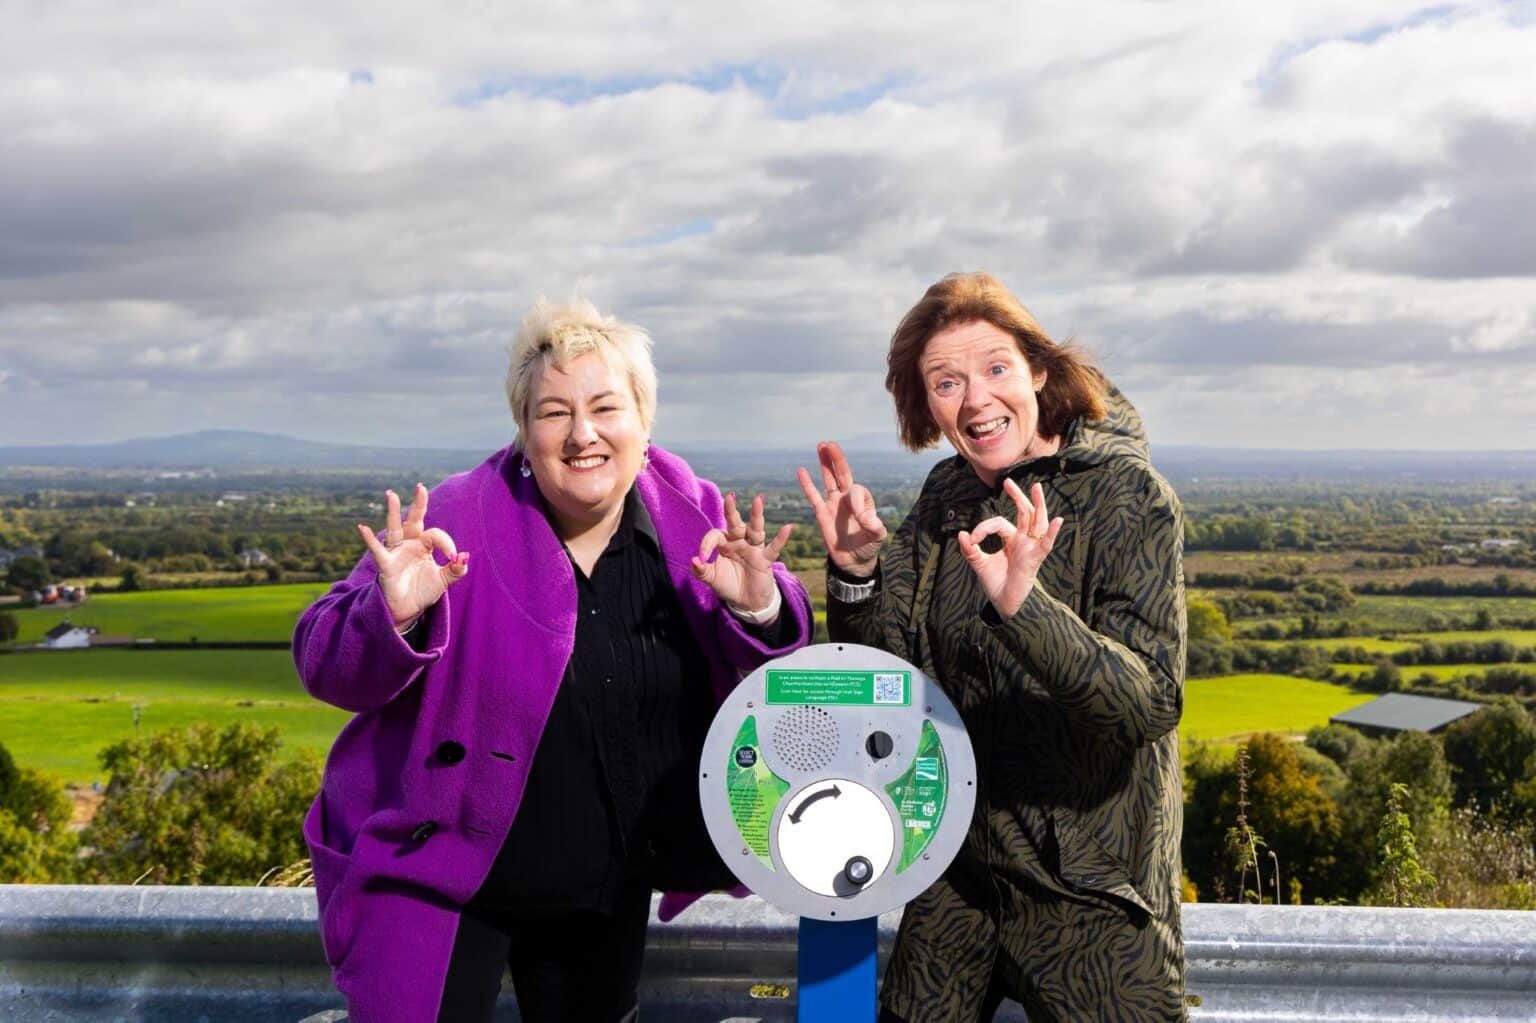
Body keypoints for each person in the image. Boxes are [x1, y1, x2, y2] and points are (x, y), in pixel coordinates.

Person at [296, 298, 813, 1023]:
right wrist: (393, 614)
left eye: (605, 407)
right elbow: (325, 663)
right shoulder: (454, 515)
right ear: (522, 431)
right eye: (553, 413)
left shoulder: (690, 513)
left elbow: (775, 649)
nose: (582, 435)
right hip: (446, 873)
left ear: (644, 420)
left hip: (602, 886)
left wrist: (758, 607)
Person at [799, 272, 1186, 1022]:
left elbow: (1149, 703)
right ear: (927, 405)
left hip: (1093, 900)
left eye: (996, 369)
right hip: (958, 884)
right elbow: (885, 674)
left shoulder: (1128, 498)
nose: (976, 399)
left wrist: (1025, 608)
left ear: (1040, 369)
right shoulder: (946, 498)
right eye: (947, 382)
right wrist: (853, 576)